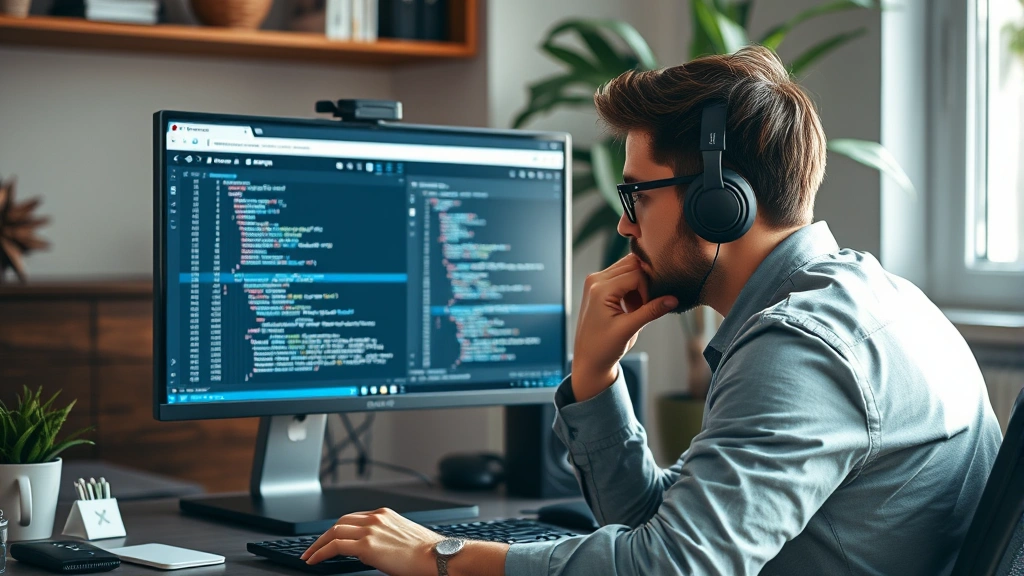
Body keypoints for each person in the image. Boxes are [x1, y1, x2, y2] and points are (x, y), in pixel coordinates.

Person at [299, 45, 1003, 576]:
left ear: (717, 202)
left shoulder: (800, 347)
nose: (626, 225)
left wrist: (441, 554)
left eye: (637, 195)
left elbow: (670, 569)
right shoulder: (879, 299)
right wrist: (596, 378)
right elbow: (666, 533)